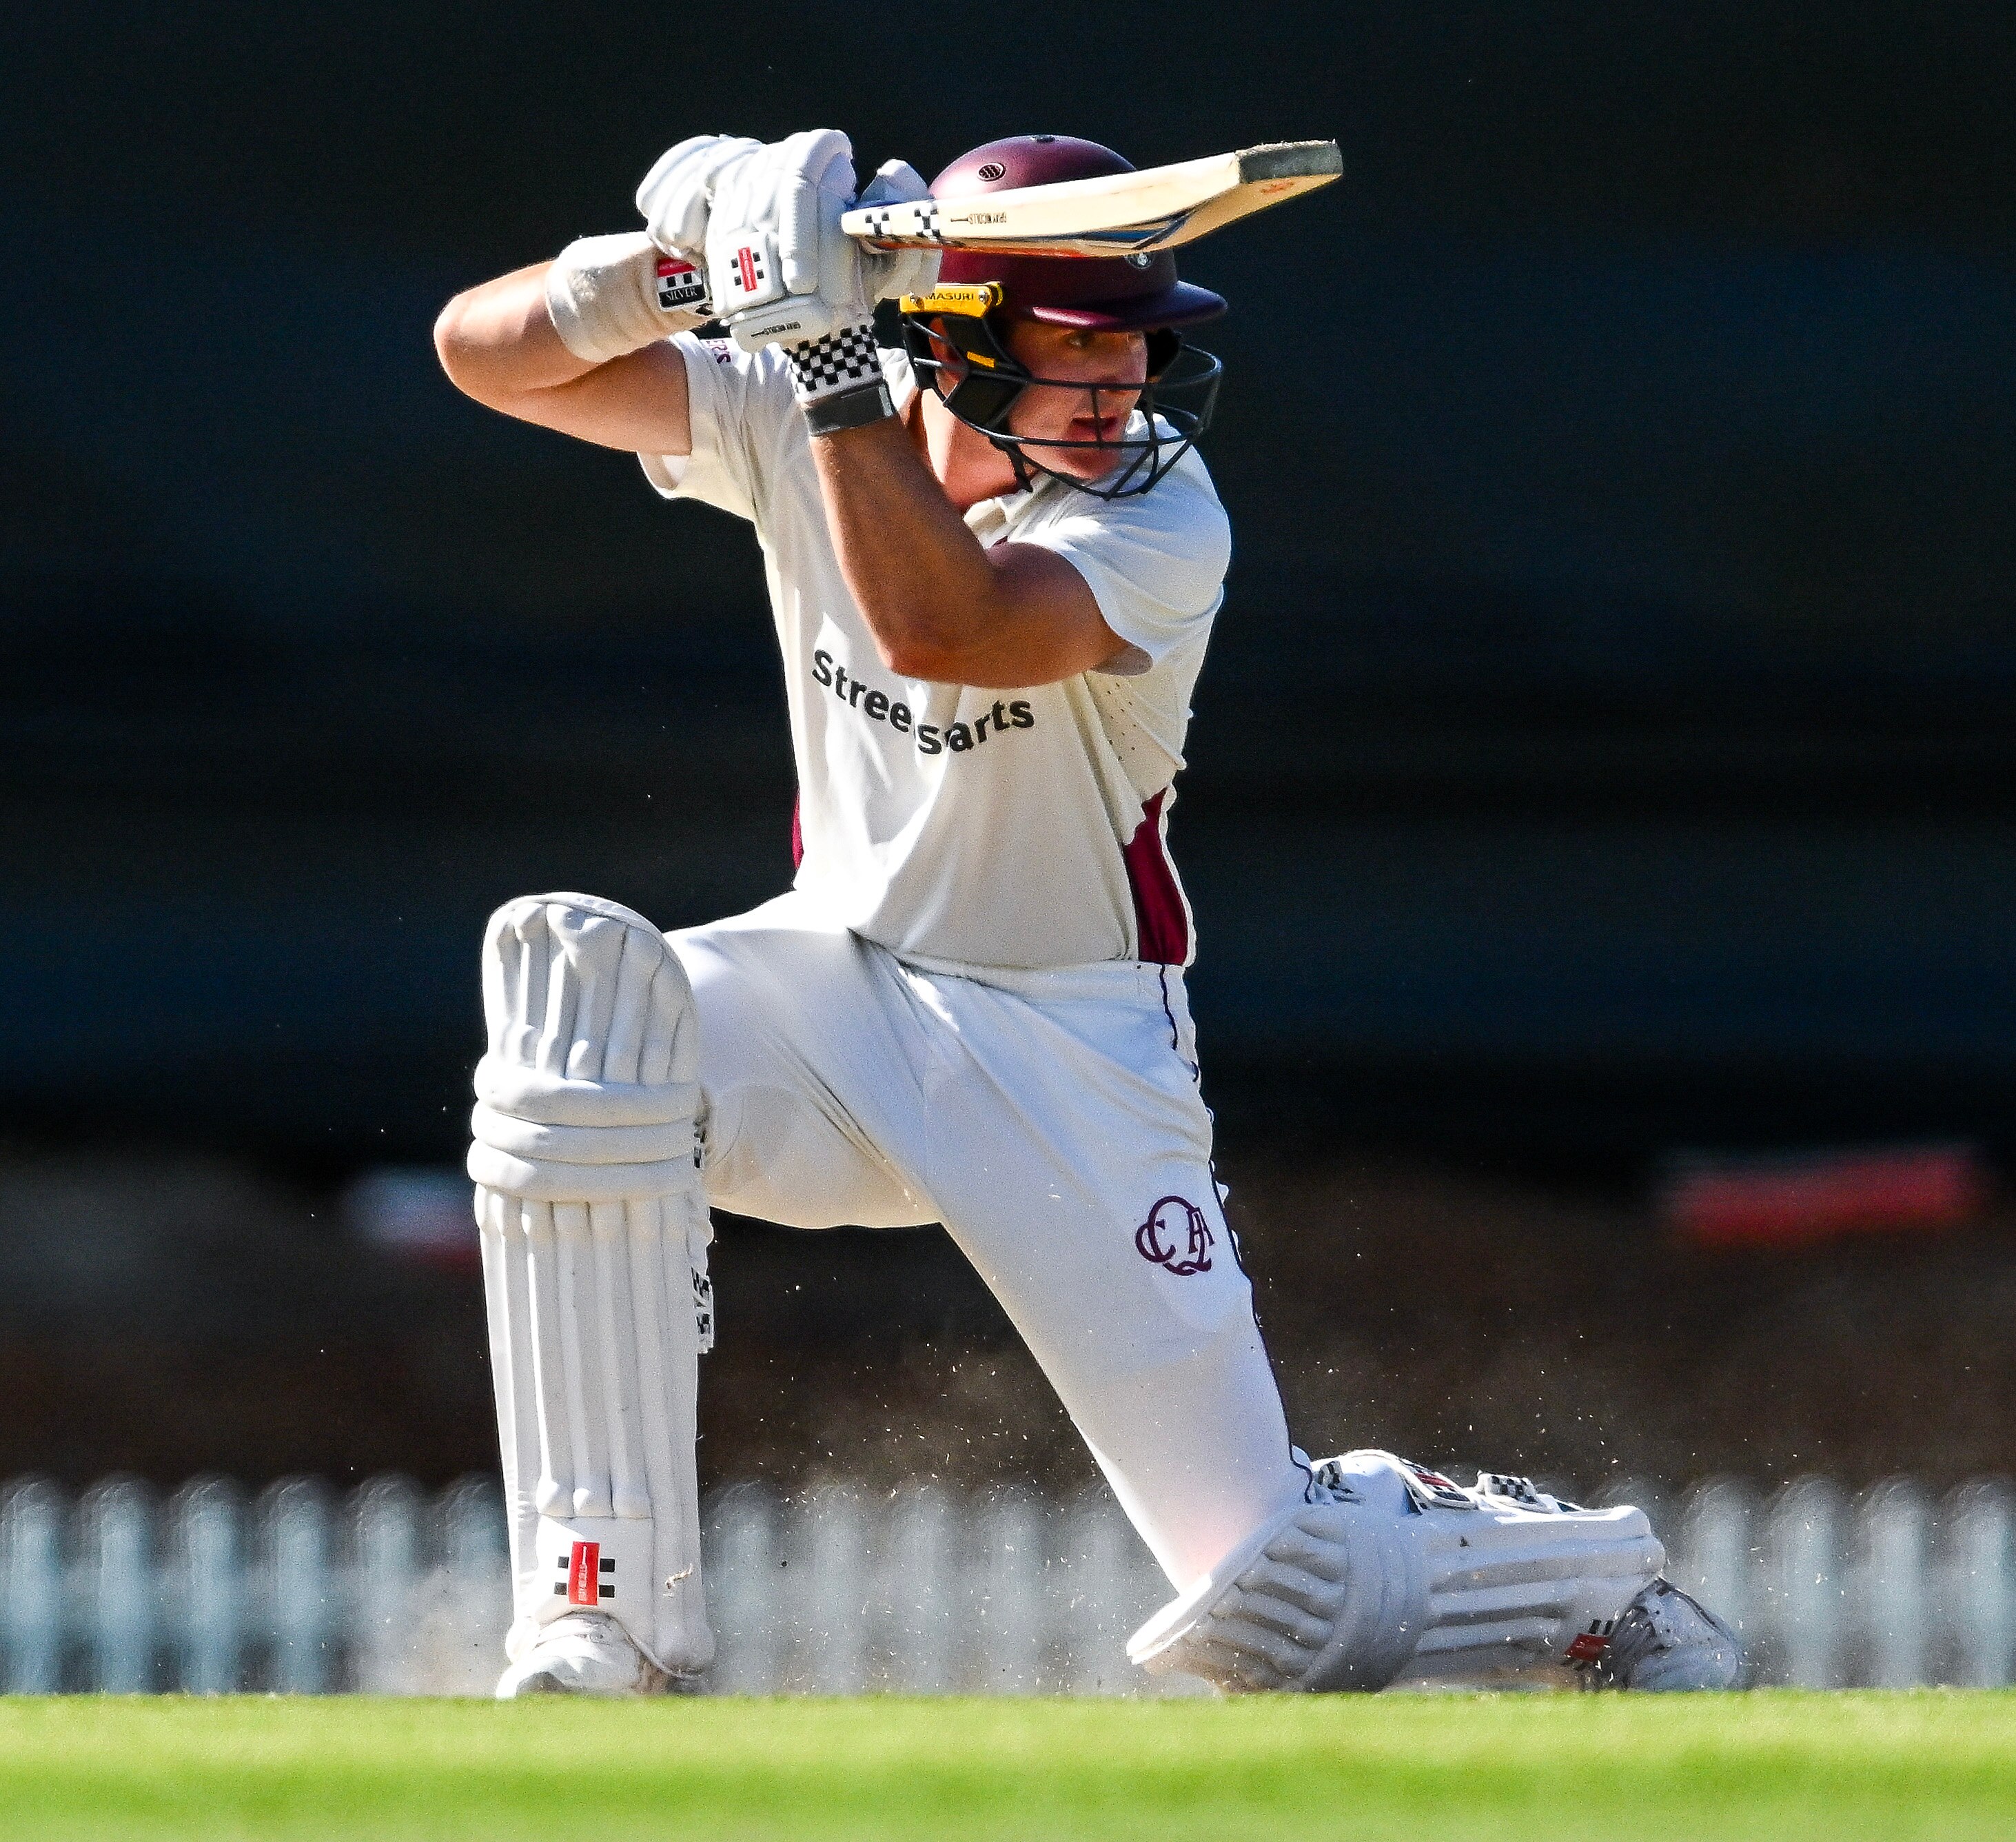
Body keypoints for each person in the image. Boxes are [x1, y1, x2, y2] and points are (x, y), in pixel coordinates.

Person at [430, 129, 1742, 1697]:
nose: (1124, 390)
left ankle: (1587, 1582)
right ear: (953, 339)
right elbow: (482, 356)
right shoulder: (798, 404)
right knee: (583, 1011)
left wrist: (829, 358)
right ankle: (601, 1615)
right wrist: (679, 270)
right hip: (836, 986)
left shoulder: (1159, 516)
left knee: (1276, 1596)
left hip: (1065, 1039)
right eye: (1077, 352)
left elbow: (947, 630)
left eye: (1137, 347)